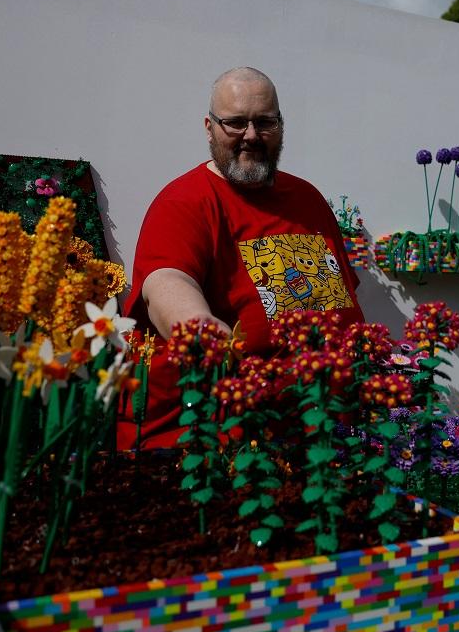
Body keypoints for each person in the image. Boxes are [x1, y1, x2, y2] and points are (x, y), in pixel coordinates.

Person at [117, 67, 365, 448]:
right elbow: (166, 279)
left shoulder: (307, 200)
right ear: (209, 126)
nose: (251, 136)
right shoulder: (185, 201)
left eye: (264, 122)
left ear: (281, 125)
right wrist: (196, 326)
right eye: (235, 123)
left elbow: (339, 301)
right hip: (232, 436)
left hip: (328, 429)